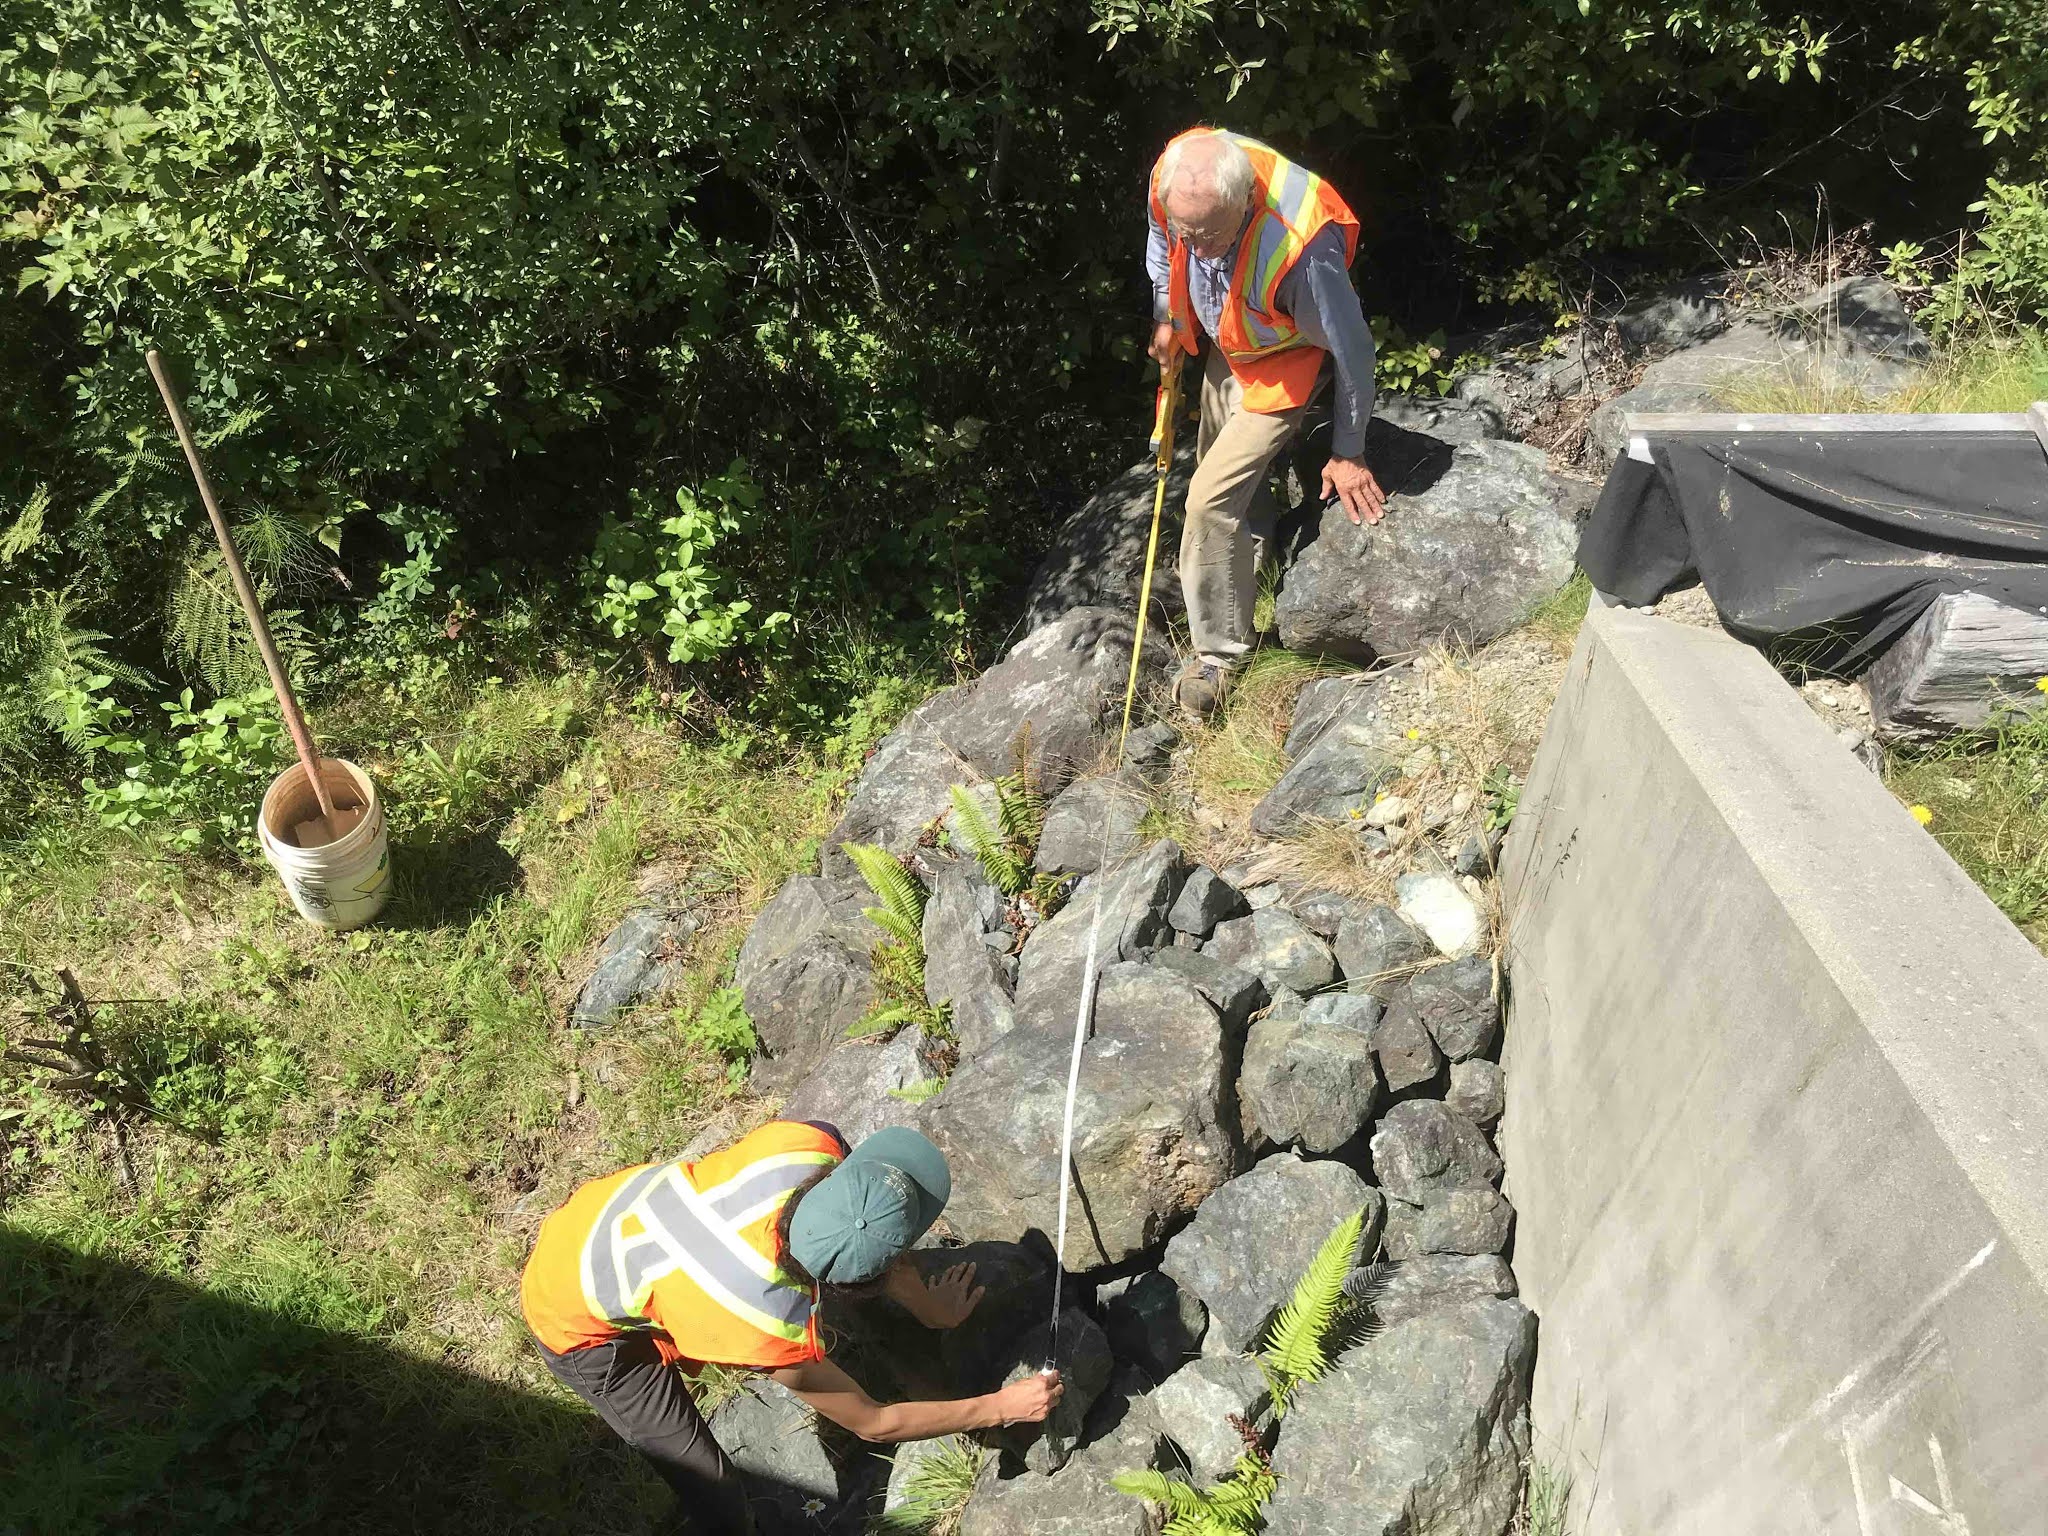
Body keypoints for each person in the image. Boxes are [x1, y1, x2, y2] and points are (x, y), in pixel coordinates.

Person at [521, 1122, 1062, 1531]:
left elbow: (860, 1231)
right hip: (571, 1316)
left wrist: (926, 1308)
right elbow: (873, 1422)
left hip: (601, 1217)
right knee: (710, 1484)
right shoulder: (762, 1322)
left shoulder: (807, 1145)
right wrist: (997, 1407)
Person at [1144, 126, 1387, 717]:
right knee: (1220, 477)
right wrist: (1169, 314)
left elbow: (1353, 350)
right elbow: (1162, 246)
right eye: (1187, 231)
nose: (1195, 248)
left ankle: (1220, 657)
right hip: (1235, 340)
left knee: (1205, 502)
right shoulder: (1176, 180)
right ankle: (1245, 572)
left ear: (1245, 202)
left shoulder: (1305, 250)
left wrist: (1348, 449)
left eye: (1209, 235)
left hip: (1285, 365)